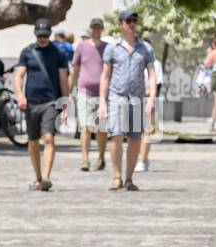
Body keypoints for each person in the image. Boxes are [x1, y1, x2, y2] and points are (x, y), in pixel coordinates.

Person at [99, 10, 155, 191]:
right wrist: (102, 101)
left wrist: (152, 97)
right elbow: (105, 76)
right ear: (121, 24)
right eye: (128, 21)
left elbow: (152, 74)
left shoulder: (145, 48)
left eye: (134, 20)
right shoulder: (112, 48)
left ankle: (129, 178)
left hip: (137, 98)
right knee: (115, 136)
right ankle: (116, 176)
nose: (132, 24)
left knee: (134, 139)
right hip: (117, 96)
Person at [14, 18, 70, 191]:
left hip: (51, 102)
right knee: (32, 141)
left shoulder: (58, 52)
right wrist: (20, 95)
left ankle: (46, 177)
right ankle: (38, 177)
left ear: (50, 34)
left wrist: (65, 102)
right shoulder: (27, 52)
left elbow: (63, 78)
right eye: (40, 35)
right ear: (35, 34)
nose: (43, 38)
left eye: (46, 35)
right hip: (31, 102)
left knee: (48, 138)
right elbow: (19, 76)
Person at [68, 18, 108, 171]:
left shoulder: (107, 48)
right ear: (90, 29)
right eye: (94, 28)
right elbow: (75, 70)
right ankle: (85, 159)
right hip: (85, 91)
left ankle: (101, 157)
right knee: (85, 126)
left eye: (99, 28)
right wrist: (69, 91)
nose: (96, 30)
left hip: (102, 94)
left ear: (102, 29)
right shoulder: (82, 47)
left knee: (100, 129)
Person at [136, 53, 165, 173]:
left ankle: (142, 161)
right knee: (136, 133)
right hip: (135, 99)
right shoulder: (135, 62)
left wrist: (153, 99)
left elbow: (158, 84)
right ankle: (142, 157)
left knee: (147, 131)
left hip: (149, 99)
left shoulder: (156, 63)